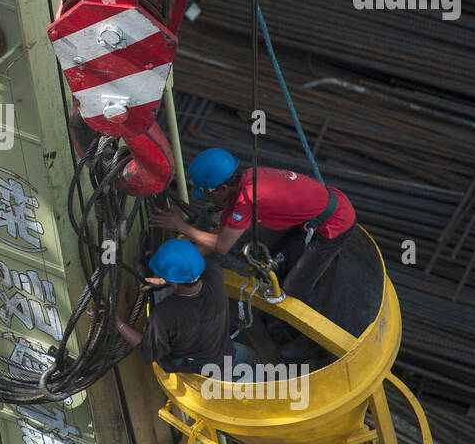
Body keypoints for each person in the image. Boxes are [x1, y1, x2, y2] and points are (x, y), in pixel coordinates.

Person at [150, 147, 356, 307]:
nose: (208, 197)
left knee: (293, 289)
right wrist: (171, 273)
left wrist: (181, 226)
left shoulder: (247, 198)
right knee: (275, 256)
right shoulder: (245, 180)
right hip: (313, 210)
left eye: (208, 192)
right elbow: (217, 235)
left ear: (222, 188)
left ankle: (306, 336)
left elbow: (221, 246)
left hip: (334, 222)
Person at [112, 238, 255, 374]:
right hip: (224, 353)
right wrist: (164, 281)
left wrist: (116, 322)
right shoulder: (214, 275)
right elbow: (196, 269)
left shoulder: (164, 314)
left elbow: (148, 352)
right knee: (251, 358)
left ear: (173, 283)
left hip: (196, 367)